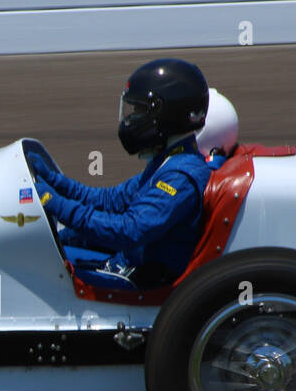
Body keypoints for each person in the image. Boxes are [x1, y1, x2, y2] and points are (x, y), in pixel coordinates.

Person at [28, 58, 213, 290]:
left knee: (36, 271)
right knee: (55, 243)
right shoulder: (169, 161)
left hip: (140, 282)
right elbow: (110, 200)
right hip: (126, 264)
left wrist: (54, 203)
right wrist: (55, 182)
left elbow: (128, 230)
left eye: (139, 111)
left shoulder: (180, 175)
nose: (130, 119)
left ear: (167, 113)